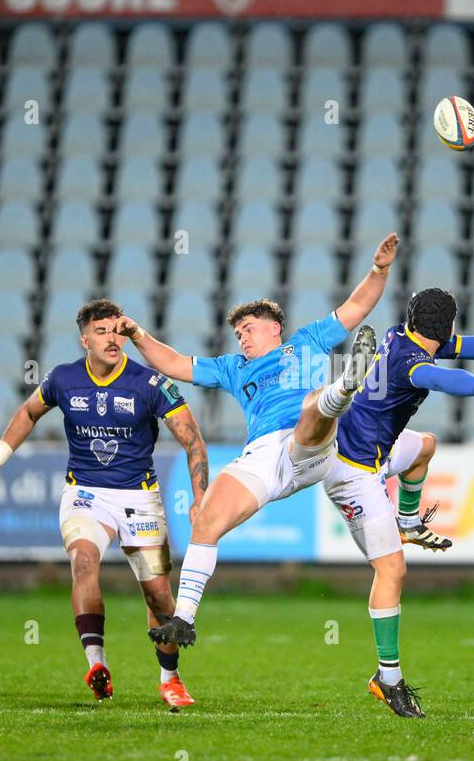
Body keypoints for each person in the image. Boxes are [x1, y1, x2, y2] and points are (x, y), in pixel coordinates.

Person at [115, 233, 399, 648]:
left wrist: (379, 269)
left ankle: (344, 387)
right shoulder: (233, 367)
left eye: (248, 330)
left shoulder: (309, 341)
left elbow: (358, 306)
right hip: (263, 455)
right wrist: (138, 333)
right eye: (238, 333)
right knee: (208, 517)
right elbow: (174, 363)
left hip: (310, 448)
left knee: (312, 409)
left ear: (275, 328)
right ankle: (184, 620)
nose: (242, 339)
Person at [323, 287, 474, 717]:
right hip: (352, 473)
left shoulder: (404, 336)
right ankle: (388, 679)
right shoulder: (413, 363)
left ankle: (409, 520)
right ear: (447, 325)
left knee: (426, 446)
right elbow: (444, 379)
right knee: (392, 570)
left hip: (373, 453)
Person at [0, 299, 209, 709]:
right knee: (83, 562)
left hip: (139, 495)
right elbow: (29, 413)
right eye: (101, 332)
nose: (112, 338)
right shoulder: (63, 379)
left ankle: (170, 679)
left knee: (157, 594)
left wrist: (200, 496)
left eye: (117, 330)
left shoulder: (150, 384)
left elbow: (191, 437)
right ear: (85, 340)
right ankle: (96, 664)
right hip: (85, 493)